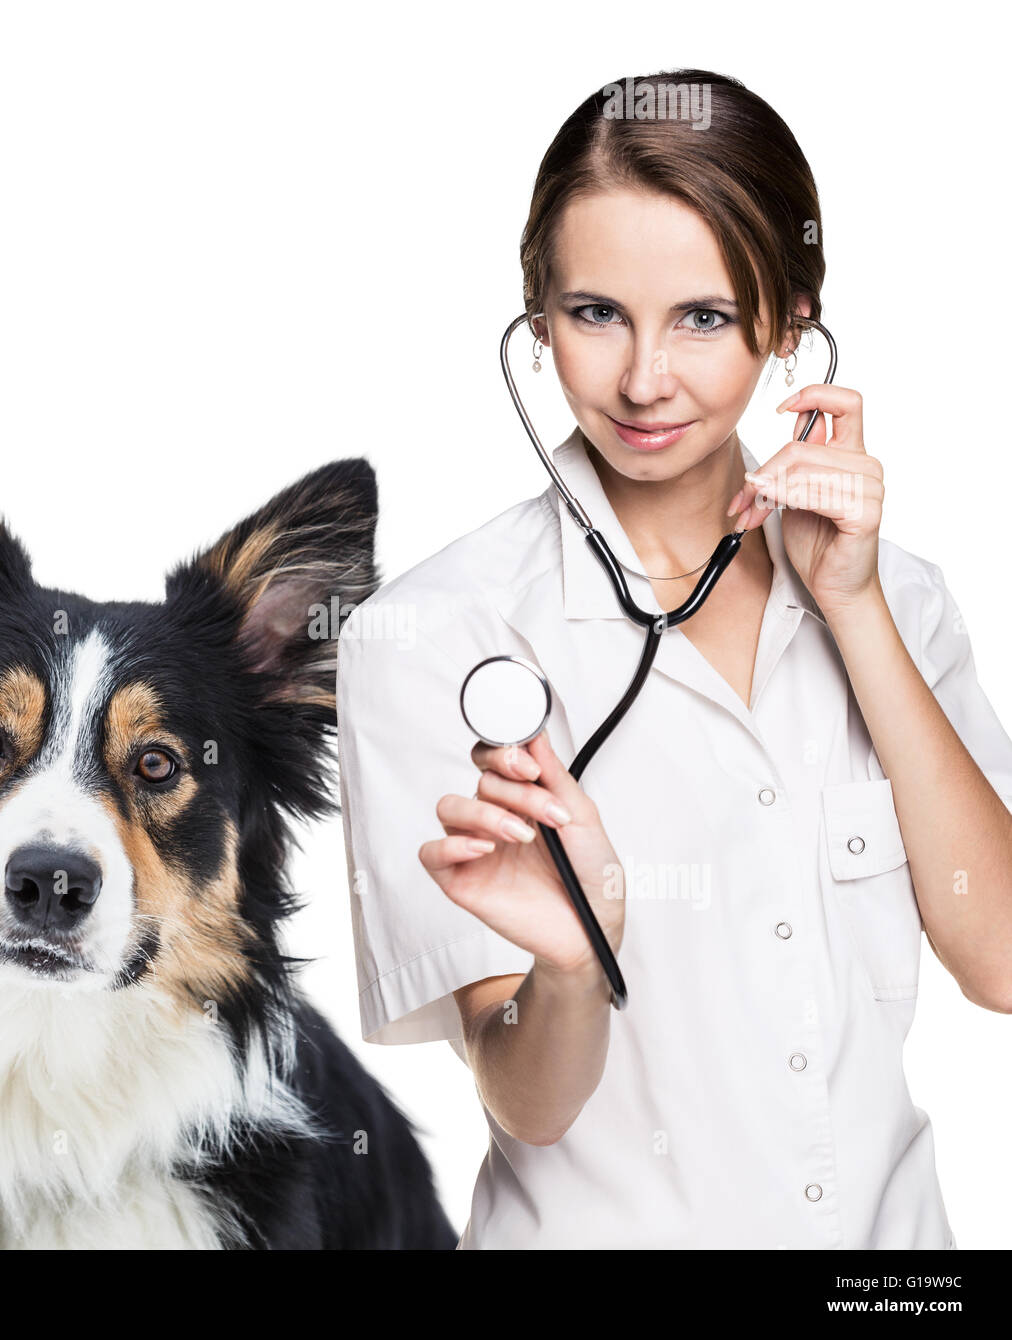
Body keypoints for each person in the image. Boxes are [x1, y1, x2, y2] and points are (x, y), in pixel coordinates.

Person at [335, 68, 1012, 1250]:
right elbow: (529, 1106)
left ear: (789, 318)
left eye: (701, 316)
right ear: (536, 320)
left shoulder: (901, 599)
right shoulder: (432, 638)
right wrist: (570, 958)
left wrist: (849, 607)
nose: (644, 379)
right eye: (595, 313)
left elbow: (1002, 961)